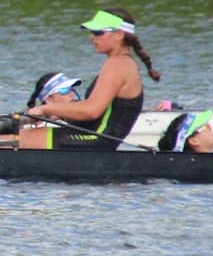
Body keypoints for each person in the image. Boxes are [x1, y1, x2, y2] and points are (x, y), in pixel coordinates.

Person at [18, 8, 159, 150]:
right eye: (92, 32)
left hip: (96, 140)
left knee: (7, 140)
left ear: (119, 35)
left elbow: (91, 110)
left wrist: (44, 109)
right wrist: (59, 114)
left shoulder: (117, 64)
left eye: (98, 33)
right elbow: (98, 112)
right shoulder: (124, 63)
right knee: (12, 135)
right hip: (94, 137)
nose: (92, 37)